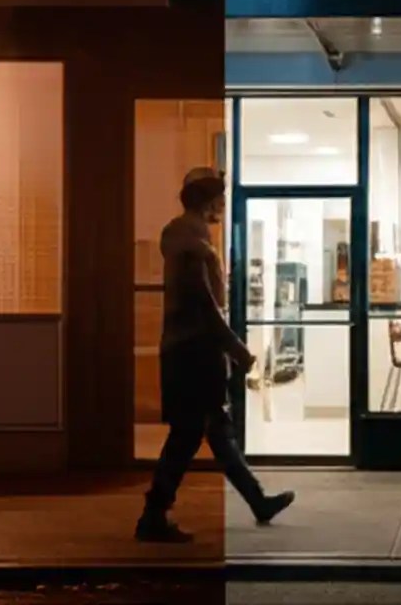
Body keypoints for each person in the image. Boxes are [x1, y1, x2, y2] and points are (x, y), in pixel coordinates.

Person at [135, 167, 295, 543]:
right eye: (220, 199)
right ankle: (153, 514)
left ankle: (257, 501)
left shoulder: (190, 237)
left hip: (194, 350)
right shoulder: (189, 241)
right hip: (193, 352)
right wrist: (235, 348)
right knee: (189, 434)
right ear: (209, 202)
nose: (223, 206)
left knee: (217, 432)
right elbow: (203, 304)